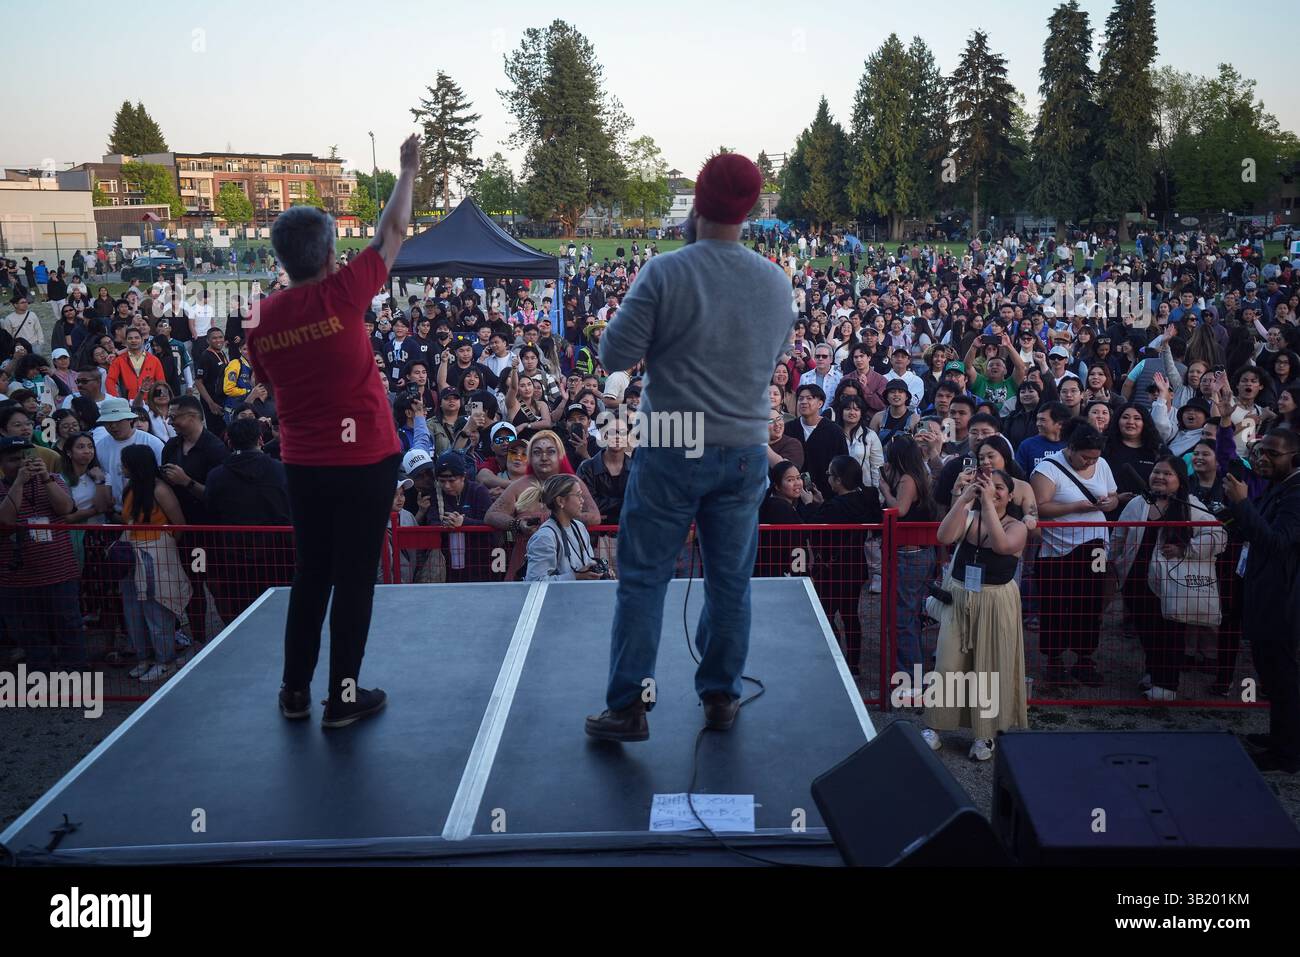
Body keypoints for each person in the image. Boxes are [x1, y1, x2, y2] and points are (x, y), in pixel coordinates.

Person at [585, 153, 792, 741]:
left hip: (674, 438)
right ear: (750, 210)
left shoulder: (665, 272)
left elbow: (614, 356)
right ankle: (721, 696)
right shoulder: (776, 282)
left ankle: (629, 705)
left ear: (697, 203)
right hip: (745, 445)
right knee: (730, 580)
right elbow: (772, 356)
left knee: (645, 577)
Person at [247, 132, 418, 728]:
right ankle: (343, 696)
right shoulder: (344, 292)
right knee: (355, 579)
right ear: (328, 258)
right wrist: (407, 170)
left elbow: (267, 380)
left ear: (281, 259)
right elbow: (393, 232)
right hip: (366, 458)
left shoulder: (260, 317)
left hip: (303, 462)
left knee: (311, 574)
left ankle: (295, 692)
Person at [921, 468, 1029, 761]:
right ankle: (935, 726)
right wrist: (964, 498)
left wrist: (989, 504)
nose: (992, 491)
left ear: (1011, 495)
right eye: (987, 485)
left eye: (999, 488)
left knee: (989, 667)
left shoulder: (1017, 527)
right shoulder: (969, 517)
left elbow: (1002, 545)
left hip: (996, 601)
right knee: (947, 664)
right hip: (960, 599)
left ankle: (985, 734)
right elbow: (943, 535)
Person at [1111, 455, 1224, 702]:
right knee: (1146, 630)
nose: (1160, 477)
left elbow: (1217, 535)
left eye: (1167, 473)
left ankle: (1167, 684)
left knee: (1169, 633)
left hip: (1170, 583)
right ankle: (1154, 673)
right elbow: (1119, 535)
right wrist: (1115, 562)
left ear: (1179, 479)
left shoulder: (1190, 505)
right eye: (1156, 472)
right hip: (1136, 580)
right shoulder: (1138, 503)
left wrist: (1186, 549)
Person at [1224, 428, 1300, 774]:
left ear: (1294, 458)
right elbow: (1256, 530)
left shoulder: (1296, 495)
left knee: (1282, 677)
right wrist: (1236, 511)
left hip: (1283, 601)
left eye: (1272, 453)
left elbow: (1276, 543)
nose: (1262, 459)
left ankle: (1287, 754)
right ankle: (1281, 736)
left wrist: (1242, 503)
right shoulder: (1278, 487)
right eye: (1259, 451)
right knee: (1271, 675)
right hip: (1265, 595)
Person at [1030, 421, 1119, 687]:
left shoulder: (1102, 465)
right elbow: (1038, 507)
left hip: (1096, 545)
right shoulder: (1047, 469)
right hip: (1058, 548)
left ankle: (1085, 658)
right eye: (1085, 457)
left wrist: (1109, 503)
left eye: (1094, 458)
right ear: (1070, 448)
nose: (1089, 462)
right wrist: (1076, 507)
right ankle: (1054, 659)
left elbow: (1113, 496)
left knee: (1090, 602)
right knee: (1056, 605)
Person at [0, 436, 85, 669]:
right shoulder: (3, 487)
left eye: (25, 457)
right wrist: (18, 483)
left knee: (69, 627)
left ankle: (75, 675)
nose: (21, 464)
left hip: (59, 572)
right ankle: (41, 677)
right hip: (18, 579)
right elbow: (5, 521)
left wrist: (45, 478)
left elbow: (66, 508)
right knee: (30, 633)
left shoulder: (54, 479)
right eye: (13, 460)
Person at [201, 417, 293, 621]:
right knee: (280, 611)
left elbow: (211, 512)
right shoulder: (280, 470)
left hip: (235, 555)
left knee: (244, 614)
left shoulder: (217, 476)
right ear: (260, 439)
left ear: (230, 442)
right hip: (277, 553)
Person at [118, 444, 191, 683]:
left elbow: (179, 524)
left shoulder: (160, 490)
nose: (121, 467)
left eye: (124, 462)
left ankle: (164, 661)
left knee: (157, 609)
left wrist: (163, 546)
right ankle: (144, 658)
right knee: (134, 611)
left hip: (155, 555)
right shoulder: (130, 488)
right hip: (132, 554)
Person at [879, 432, 937, 695]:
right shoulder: (919, 475)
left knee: (903, 619)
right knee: (908, 616)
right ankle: (910, 677)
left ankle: (910, 682)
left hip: (909, 555)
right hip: (918, 553)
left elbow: (899, 510)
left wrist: (884, 489)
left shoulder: (907, 479)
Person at [524, 474, 605, 582]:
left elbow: (587, 563)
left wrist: (600, 571)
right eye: (578, 495)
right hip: (560, 594)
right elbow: (535, 581)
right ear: (560, 501)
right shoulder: (545, 537)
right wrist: (576, 576)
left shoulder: (579, 527)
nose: (582, 500)